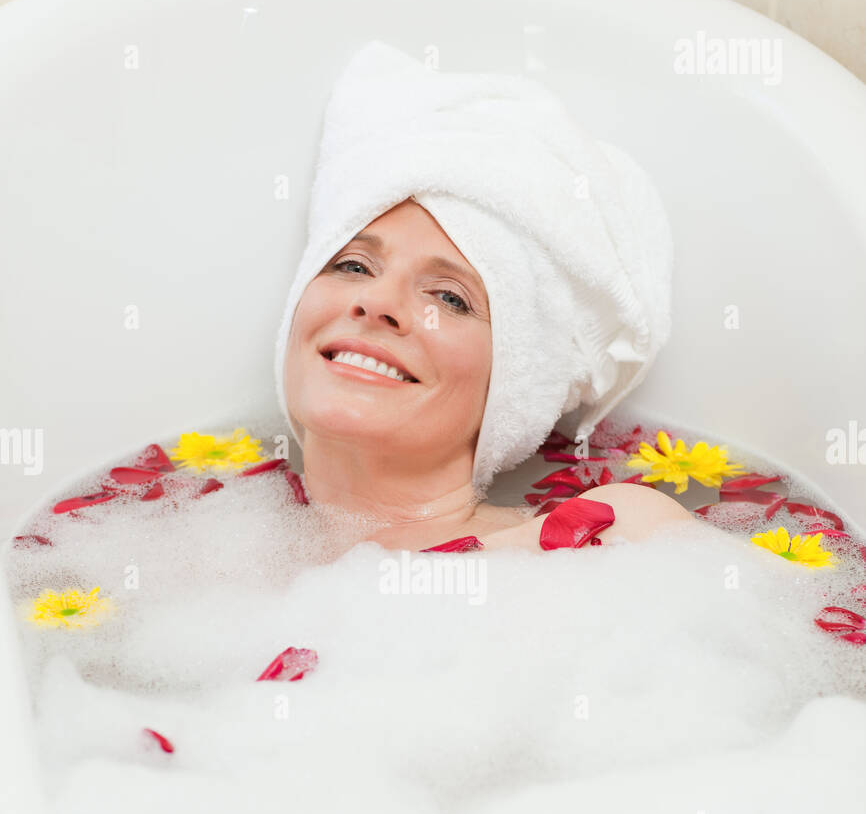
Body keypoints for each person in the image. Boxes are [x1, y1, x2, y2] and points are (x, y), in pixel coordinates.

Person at [279, 196, 691, 553]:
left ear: (516, 385)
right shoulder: (220, 547)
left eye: (449, 298)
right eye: (353, 266)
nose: (375, 300)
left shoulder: (620, 538)